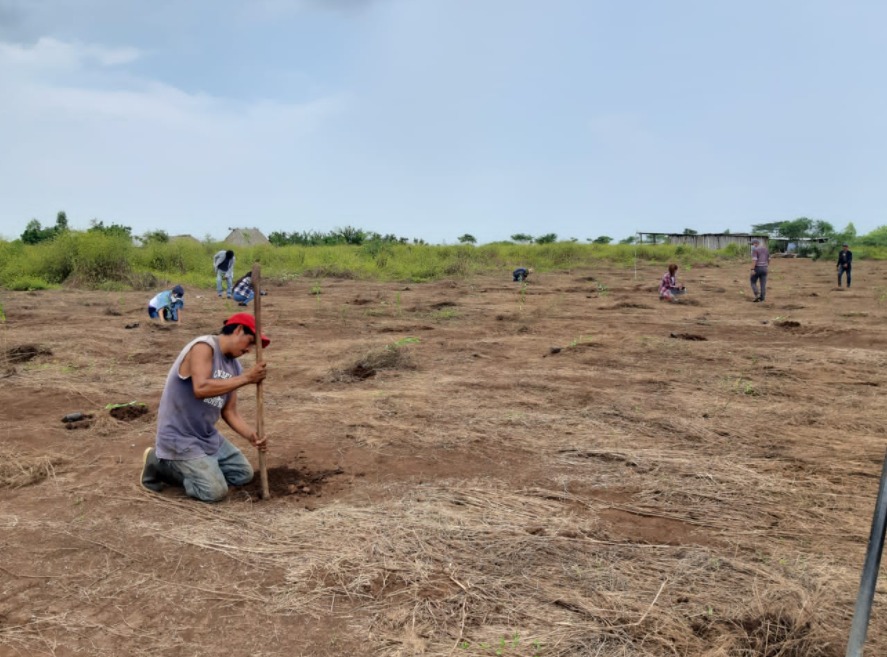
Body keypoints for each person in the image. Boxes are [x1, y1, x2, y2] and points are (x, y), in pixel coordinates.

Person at [140, 312, 270, 502]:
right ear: (239, 330)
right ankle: (159, 464)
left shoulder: (234, 367)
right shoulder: (204, 346)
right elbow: (200, 388)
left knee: (243, 474)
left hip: (206, 436)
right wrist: (247, 379)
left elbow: (229, 411)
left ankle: (201, 466)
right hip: (179, 438)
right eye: (250, 342)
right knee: (214, 492)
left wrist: (252, 435)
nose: (249, 350)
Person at [749, 238, 770, 302]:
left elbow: (754, 260)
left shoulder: (755, 250)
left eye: (752, 244)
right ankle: (762, 299)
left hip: (757, 268)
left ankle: (756, 295)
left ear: (756, 243)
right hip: (764, 268)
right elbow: (769, 259)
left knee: (753, 282)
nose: (752, 245)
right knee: (763, 284)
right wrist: (766, 266)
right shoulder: (766, 249)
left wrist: (752, 269)